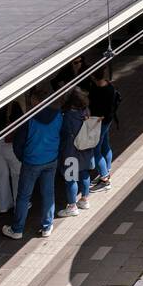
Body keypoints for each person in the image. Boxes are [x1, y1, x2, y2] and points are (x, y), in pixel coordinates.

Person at [2, 87, 63, 240]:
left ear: (34, 101)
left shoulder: (28, 120)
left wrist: (24, 158)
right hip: (51, 160)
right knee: (48, 193)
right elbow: (61, 135)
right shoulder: (58, 116)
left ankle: (17, 229)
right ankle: (47, 226)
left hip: (31, 162)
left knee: (23, 196)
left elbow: (18, 144)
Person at [58, 88, 96, 217]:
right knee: (85, 174)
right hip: (86, 150)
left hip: (71, 152)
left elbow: (62, 133)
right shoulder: (86, 111)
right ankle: (84, 200)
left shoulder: (67, 116)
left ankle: (72, 206)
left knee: (71, 179)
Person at [0, 96, 28, 216]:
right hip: (9, 144)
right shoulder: (13, 105)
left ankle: (3, 206)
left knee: (1, 176)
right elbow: (20, 125)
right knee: (17, 174)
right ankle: (18, 204)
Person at [88, 70, 120, 189]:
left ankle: (105, 177)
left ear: (93, 77)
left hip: (100, 122)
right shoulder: (110, 86)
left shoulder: (99, 90)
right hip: (107, 121)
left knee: (96, 149)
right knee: (105, 145)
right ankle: (107, 170)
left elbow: (93, 104)